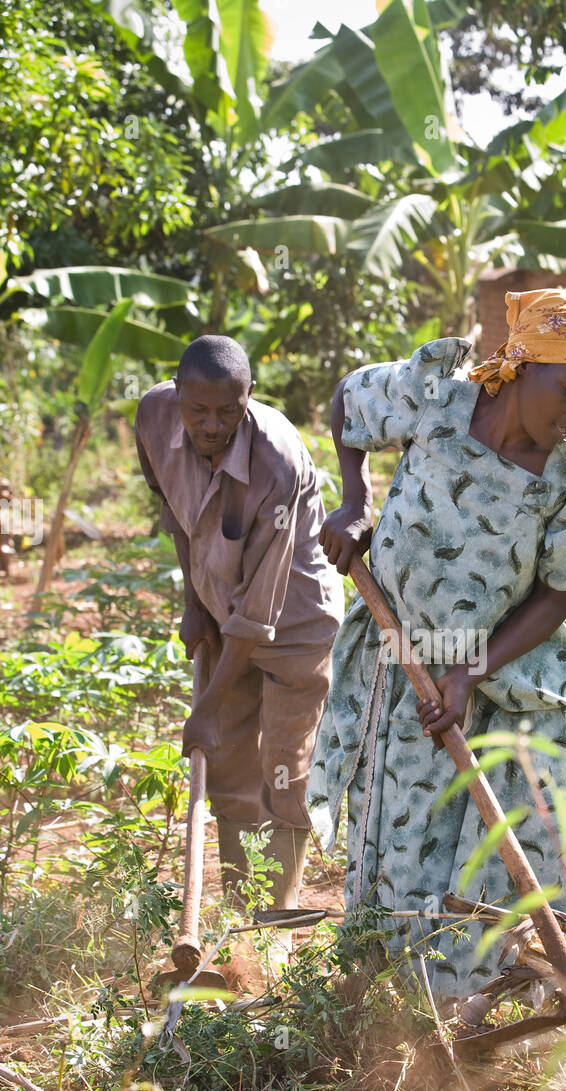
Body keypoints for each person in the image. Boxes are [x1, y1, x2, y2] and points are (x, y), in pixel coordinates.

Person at [307, 288, 566, 999]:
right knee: (409, 838)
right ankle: (400, 1008)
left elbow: (560, 591)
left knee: (514, 859)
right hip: (409, 666)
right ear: (519, 363)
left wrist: (471, 672)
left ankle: (517, 1006)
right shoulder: (437, 398)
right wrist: (355, 504)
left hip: (514, 683)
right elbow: (349, 405)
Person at [135, 335, 344, 909]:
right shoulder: (154, 414)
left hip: (296, 623)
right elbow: (175, 512)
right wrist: (194, 603)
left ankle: (273, 919)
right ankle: (235, 917)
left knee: (285, 770)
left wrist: (204, 709)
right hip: (223, 608)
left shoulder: (275, 460)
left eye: (228, 410)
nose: (212, 424)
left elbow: (259, 615)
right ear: (177, 394)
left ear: (249, 397)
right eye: (198, 409)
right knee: (227, 767)